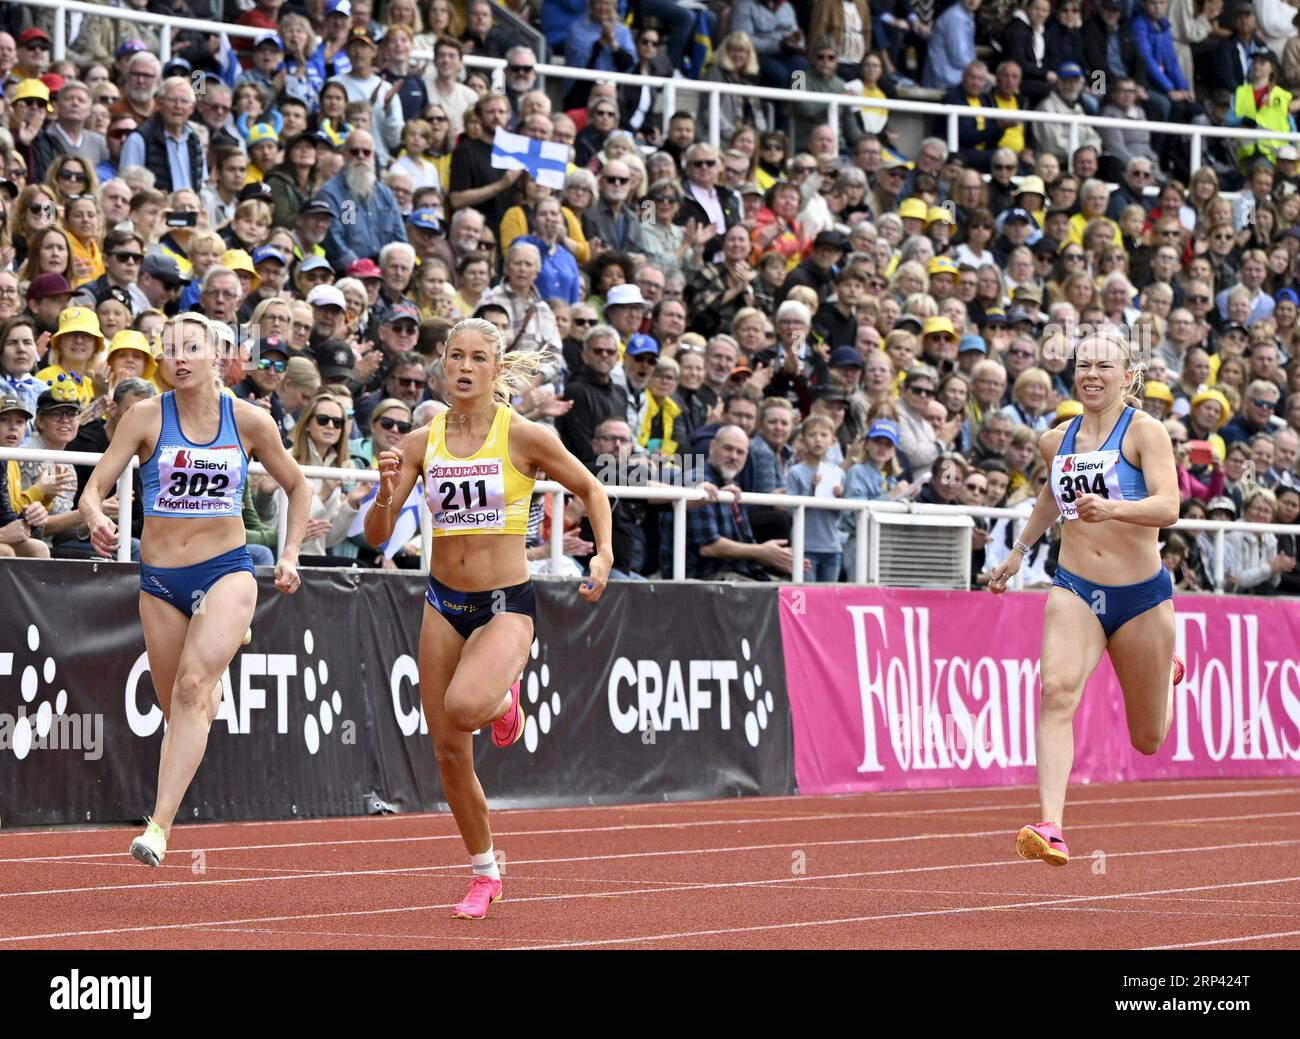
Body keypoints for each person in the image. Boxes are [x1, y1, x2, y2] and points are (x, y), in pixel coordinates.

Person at [364, 317, 612, 920]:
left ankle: (504, 702)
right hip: (442, 602)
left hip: (504, 604)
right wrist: (385, 493)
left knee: (465, 706)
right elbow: (376, 536)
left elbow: (591, 489)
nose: (465, 367)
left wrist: (603, 553)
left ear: (496, 370)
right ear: (443, 365)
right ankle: (485, 872)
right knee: (449, 754)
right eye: (456, 356)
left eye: (478, 358)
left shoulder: (524, 436)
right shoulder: (420, 442)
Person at [77, 312, 311, 867]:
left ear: (217, 356)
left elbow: (298, 486)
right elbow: (93, 488)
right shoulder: (143, 416)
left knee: (189, 689)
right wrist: (96, 516)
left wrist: (289, 553)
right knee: (183, 709)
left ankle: (158, 827)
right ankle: (218, 659)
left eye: (191, 347)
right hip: (161, 580)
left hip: (225, 570)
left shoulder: (249, 421)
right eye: (170, 349)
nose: (179, 358)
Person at [988, 330, 1182, 867]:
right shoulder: (1055, 440)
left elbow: (1169, 507)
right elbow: (1052, 496)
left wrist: (1113, 508)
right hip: (1074, 586)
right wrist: (1018, 552)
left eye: (1104, 366)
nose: (1091, 375)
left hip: (1140, 598)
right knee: (1055, 692)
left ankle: (1166, 669)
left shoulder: (1146, 432)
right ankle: (1050, 825)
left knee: (1148, 739)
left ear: (1128, 376)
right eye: (1083, 365)